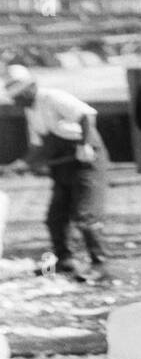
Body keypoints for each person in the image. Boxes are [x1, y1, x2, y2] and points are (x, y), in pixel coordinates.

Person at [3, 64, 110, 280]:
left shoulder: (53, 97)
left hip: (86, 161)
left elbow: (86, 115)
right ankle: (65, 261)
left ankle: (100, 264)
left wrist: (84, 145)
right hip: (62, 166)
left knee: (86, 217)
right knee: (56, 217)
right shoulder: (31, 111)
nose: (17, 102)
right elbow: (39, 146)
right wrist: (21, 164)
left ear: (30, 87)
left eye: (19, 96)